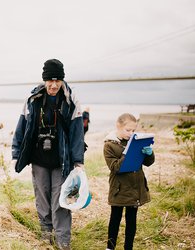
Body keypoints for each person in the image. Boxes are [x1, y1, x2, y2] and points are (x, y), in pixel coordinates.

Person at [12, 59, 85, 249]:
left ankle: (62, 240)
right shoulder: (33, 99)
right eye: (50, 81)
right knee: (42, 198)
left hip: (62, 159)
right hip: (38, 159)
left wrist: (78, 161)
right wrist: (16, 153)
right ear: (44, 80)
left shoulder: (71, 100)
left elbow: (77, 132)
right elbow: (22, 127)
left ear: (62, 80)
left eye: (57, 80)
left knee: (61, 199)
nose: (53, 85)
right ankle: (46, 233)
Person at [103, 113, 155, 250]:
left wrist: (149, 154)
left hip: (135, 187)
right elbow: (115, 167)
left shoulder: (135, 141)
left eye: (133, 130)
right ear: (118, 126)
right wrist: (128, 152)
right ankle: (110, 247)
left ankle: (128, 247)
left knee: (131, 220)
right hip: (119, 188)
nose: (131, 133)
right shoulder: (109, 145)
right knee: (115, 218)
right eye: (128, 130)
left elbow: (148, 163)